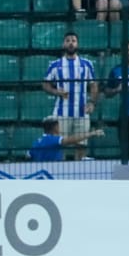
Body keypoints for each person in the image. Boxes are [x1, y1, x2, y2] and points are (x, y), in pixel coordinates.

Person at [41, 32, 97, 160]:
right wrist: (56, 92)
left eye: (73, 40)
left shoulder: (87, 64)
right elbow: (45, 84)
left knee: (81, 145)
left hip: (82, 112)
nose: (71, 43)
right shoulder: (55, 65)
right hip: (61, 113)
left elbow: (94, 85)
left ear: (77, 44)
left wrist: (92, 102)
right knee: (60, 145)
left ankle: (80, 174)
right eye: (68, 40)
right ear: (63, 44)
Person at [26, 116, 103, 162]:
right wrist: (91, 134)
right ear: (55, 127)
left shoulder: (36, 142)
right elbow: (70, 140)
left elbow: (28, 156)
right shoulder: (53, 140)